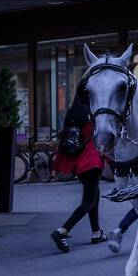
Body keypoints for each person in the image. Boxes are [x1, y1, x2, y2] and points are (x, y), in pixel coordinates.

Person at [50, 94, 107, 251]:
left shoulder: (72, 114)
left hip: (79, 162)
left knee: (94, 196)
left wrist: (56, 166)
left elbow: (64, 143)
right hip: (91, 161)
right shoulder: (91, 114)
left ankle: (96, 232)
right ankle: (62, 231)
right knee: (88, 201)